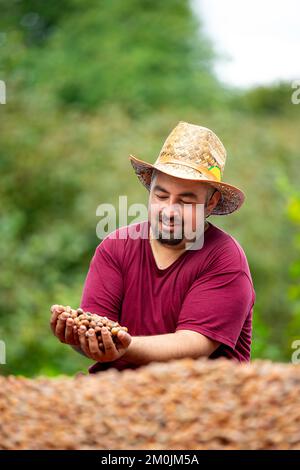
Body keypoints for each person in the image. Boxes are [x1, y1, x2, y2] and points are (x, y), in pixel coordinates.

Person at [50, 121, 256, 374]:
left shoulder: (224, 258)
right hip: (116, 393)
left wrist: (124, 345)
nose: (169, 211)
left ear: (210, 203)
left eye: (185, 201)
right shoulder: (114, 248)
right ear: (150, 190)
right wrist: (79, 338)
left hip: (199, 399)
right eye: (161, 196)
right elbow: (97, 333)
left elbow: (194, 345)